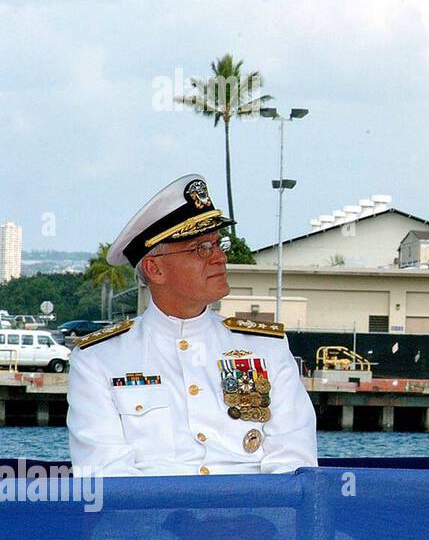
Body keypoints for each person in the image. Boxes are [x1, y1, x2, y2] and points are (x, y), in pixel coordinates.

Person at [67, 174, 318, 476]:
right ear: (155, 268)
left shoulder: (267, 348)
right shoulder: (97, 360)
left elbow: (294, 463)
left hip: (252, 520)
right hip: (151, 522)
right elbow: (106, 475)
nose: (220, 258)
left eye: (217, 244)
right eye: (201, 248)